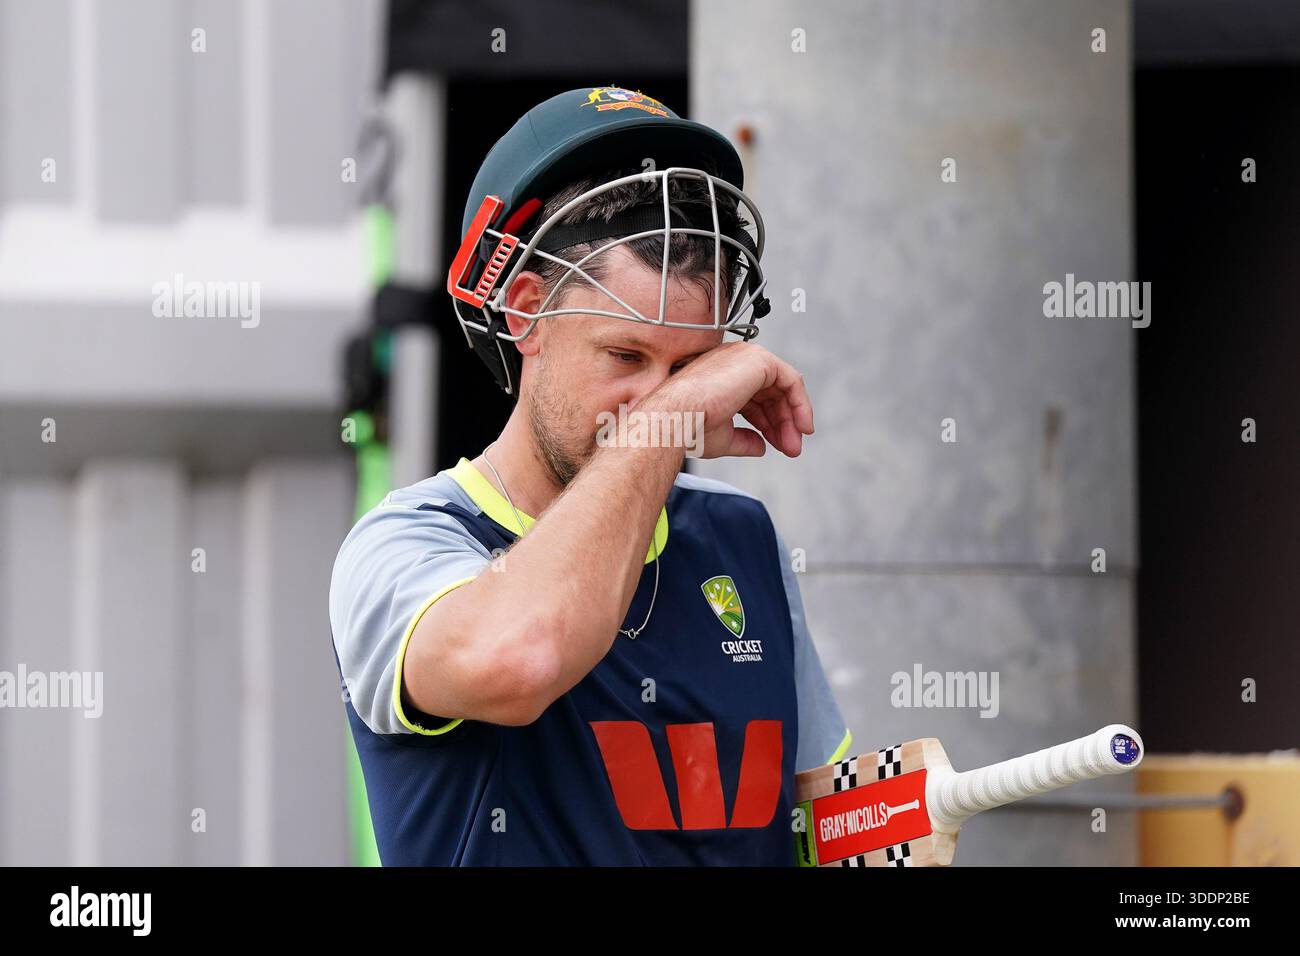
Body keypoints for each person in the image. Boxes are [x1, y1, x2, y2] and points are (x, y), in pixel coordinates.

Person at [330, 87, 850, 865]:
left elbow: (823, 822)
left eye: (691, 367)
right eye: (627, 358)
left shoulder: (740, 536)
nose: (664, 399)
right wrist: (663, 424)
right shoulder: (404, 545)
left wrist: (909, 816)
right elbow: (524, 657)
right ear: (524, 311)